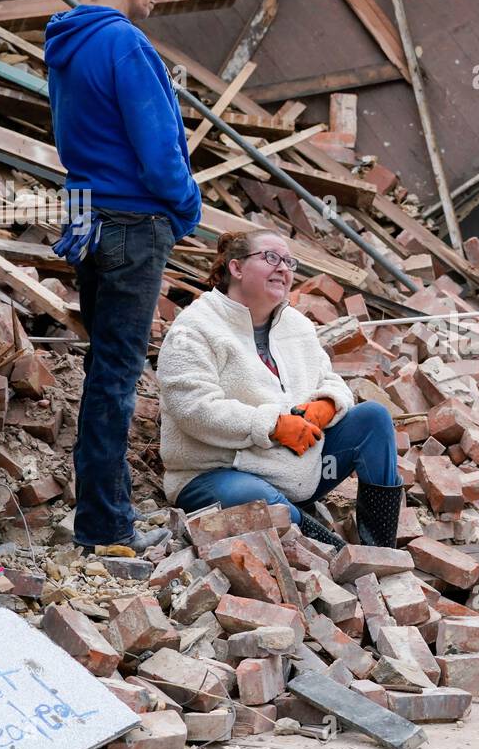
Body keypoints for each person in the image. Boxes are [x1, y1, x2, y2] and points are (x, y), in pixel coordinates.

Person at [45, 0, 200, 553]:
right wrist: (185, 208)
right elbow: (159, 148)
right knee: (117, 376)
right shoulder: (125, 44)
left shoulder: (68, 41)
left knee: (102, 372)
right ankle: (107, 528)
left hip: (89, 216)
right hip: (134, 223)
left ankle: (98, 520)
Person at [157, 229, 403, 551]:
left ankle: (382, 550)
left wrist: (327, 404)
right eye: (271, 258)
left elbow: (329, 379)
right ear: (236, 268)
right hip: (216, 473)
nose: (284, 268)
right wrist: (273, 425)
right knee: (256, 499)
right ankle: (335, 554)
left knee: (373, 418)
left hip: (298, 472)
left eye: (289, 262)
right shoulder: (194, 328)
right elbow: (193, 408)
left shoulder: (296, 325)